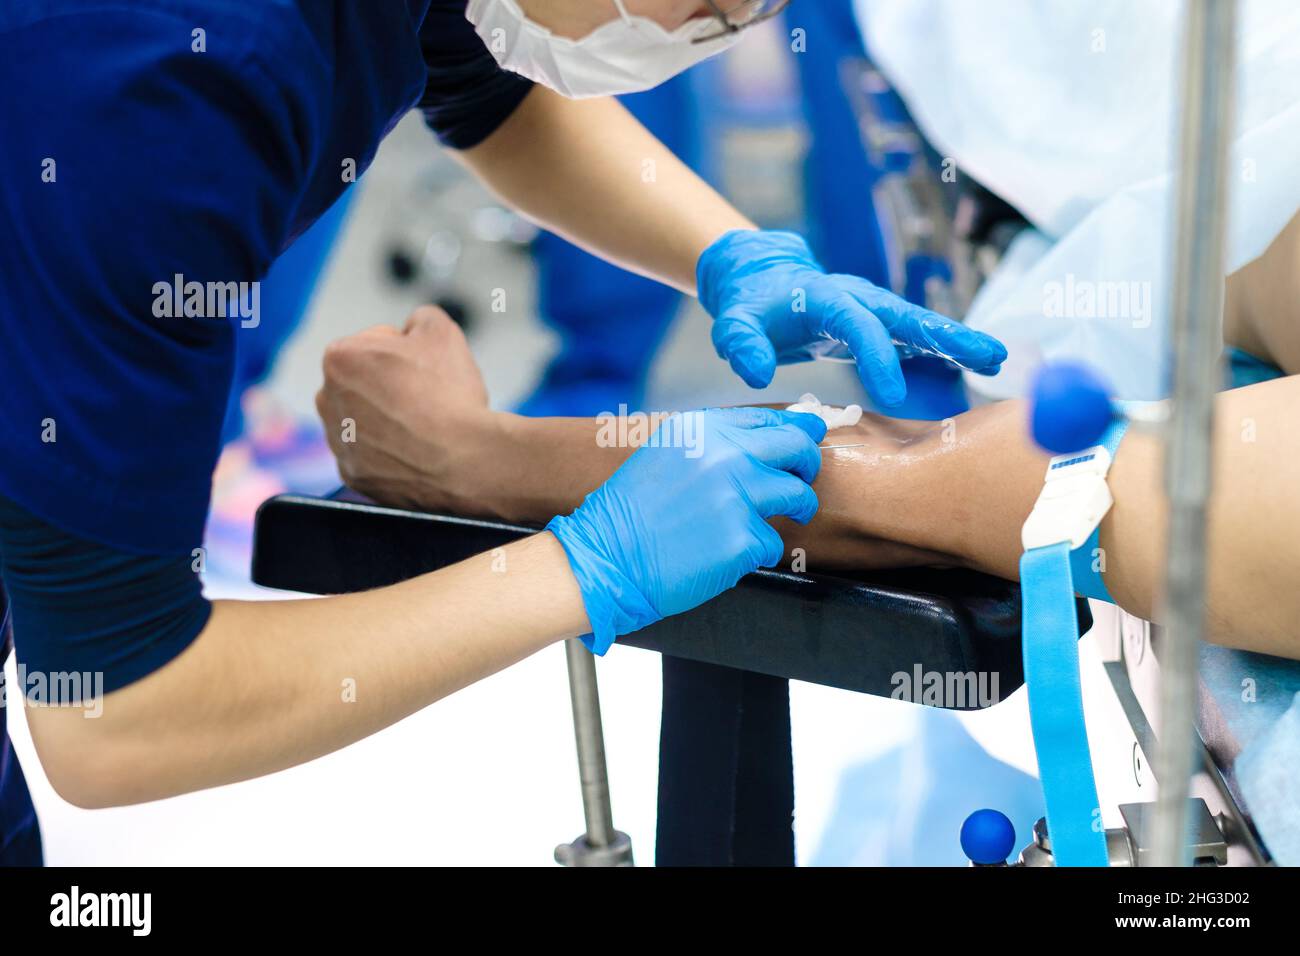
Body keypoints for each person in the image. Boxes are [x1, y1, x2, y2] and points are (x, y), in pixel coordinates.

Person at [0, 0, 1010, 864]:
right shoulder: (163, 92)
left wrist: (731, 253)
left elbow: (491, 86)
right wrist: (580, 569)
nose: (719, 30)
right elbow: (112, 711)